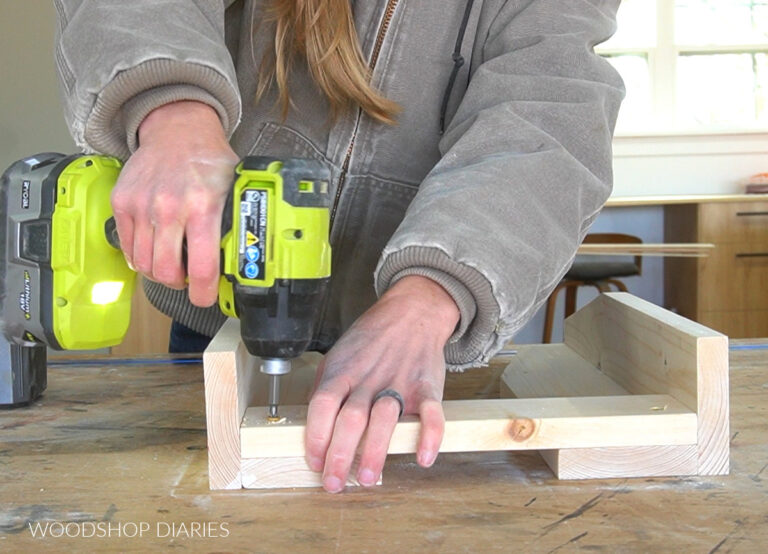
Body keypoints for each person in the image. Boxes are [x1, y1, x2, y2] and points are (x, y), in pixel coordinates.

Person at [54, 0, 624, 492]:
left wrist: (432, 294)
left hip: (415, 349)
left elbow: (549, 115)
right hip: (219, 328)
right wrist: (173, 111)